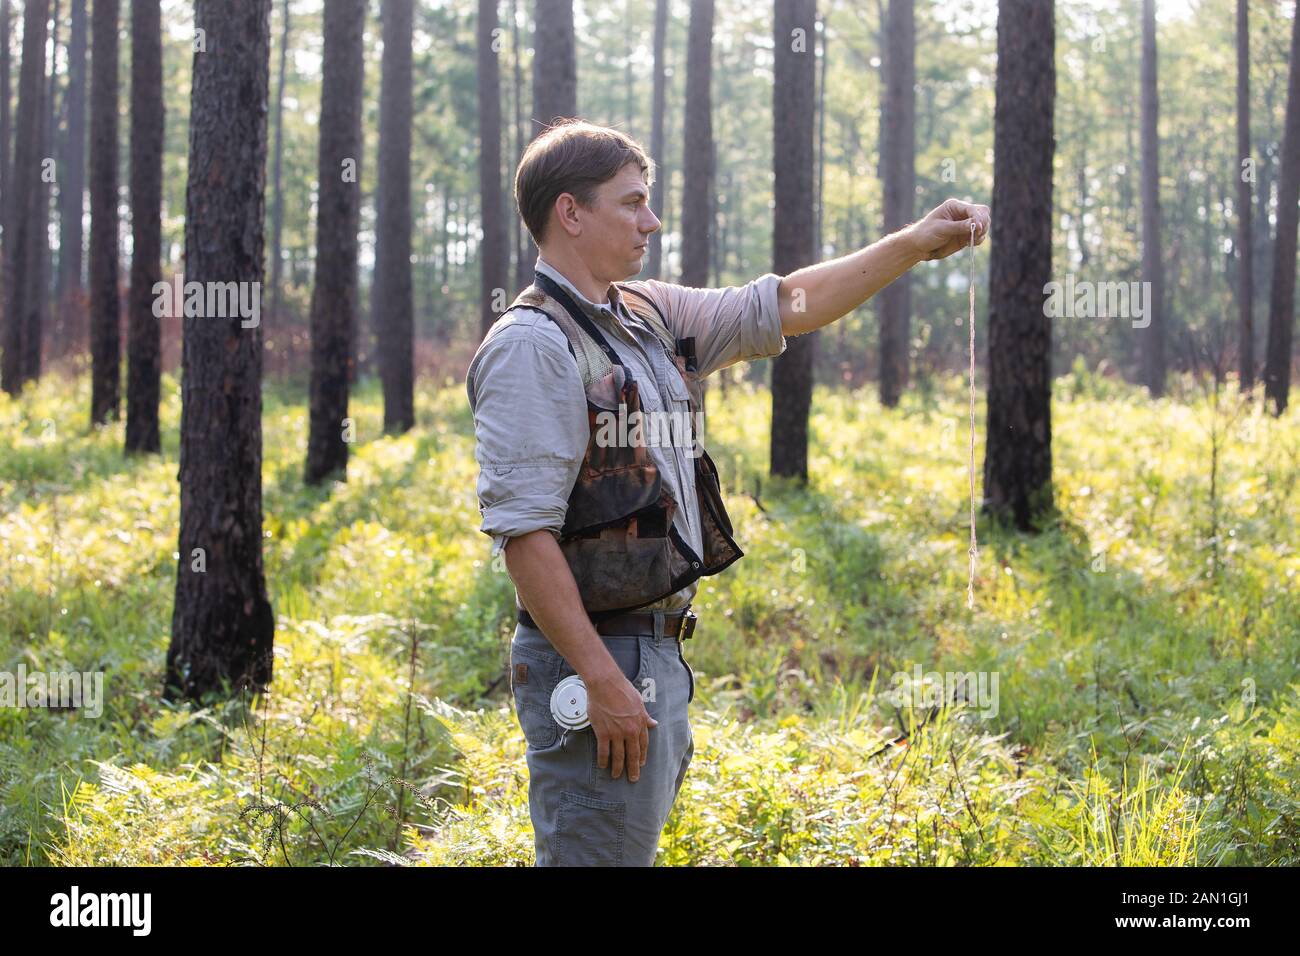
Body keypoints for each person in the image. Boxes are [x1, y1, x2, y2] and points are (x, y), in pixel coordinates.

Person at [465, 118, 989, 866]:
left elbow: (786, 305)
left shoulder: (643, 314)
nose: (652, 220)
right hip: (600, 660)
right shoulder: (532, 346)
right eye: (632, 202)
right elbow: (525, 536)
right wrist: (604, 680)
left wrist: (913, 243)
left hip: (651, 656)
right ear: (570, 213)